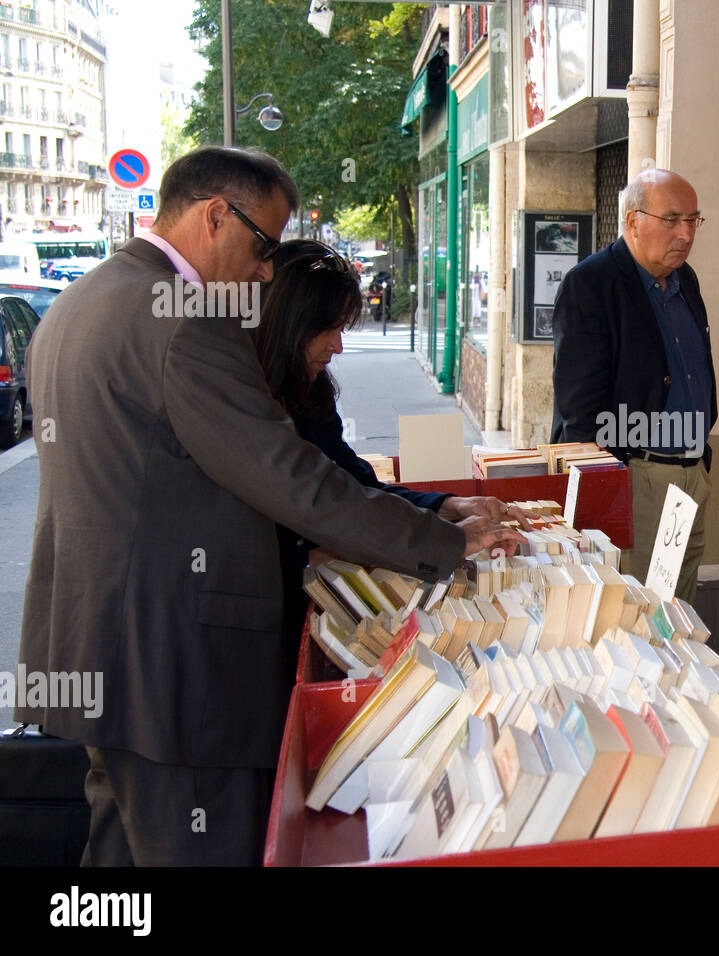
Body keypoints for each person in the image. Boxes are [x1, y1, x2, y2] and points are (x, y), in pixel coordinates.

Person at [16, 146, 522, 866]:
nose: (263, 270)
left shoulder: (82, 300)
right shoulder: (187, 321)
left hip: (98, 645)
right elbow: (290, 478)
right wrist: (443, 543)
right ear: (214, 214)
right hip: (177, 663)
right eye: (263, 246)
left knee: (117, 857)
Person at [253, 239, 532, 651]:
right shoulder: (249, 406)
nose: (338, 346)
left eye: (341, 330)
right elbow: (320, 506)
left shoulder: (309, 390)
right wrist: (446, 537)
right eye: (326, 330)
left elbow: (355, 485)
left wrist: (448, 507)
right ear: (287, 324)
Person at [550, 168, 716, 603]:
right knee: (635, 613)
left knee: (680, 611)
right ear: (632, 221)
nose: (685, 233)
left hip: (692, 473)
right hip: (636, 476)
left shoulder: (687, 280)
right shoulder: (591, 284)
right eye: (672, 219)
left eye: (693, 220)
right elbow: (579, 408)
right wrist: (602, 492)